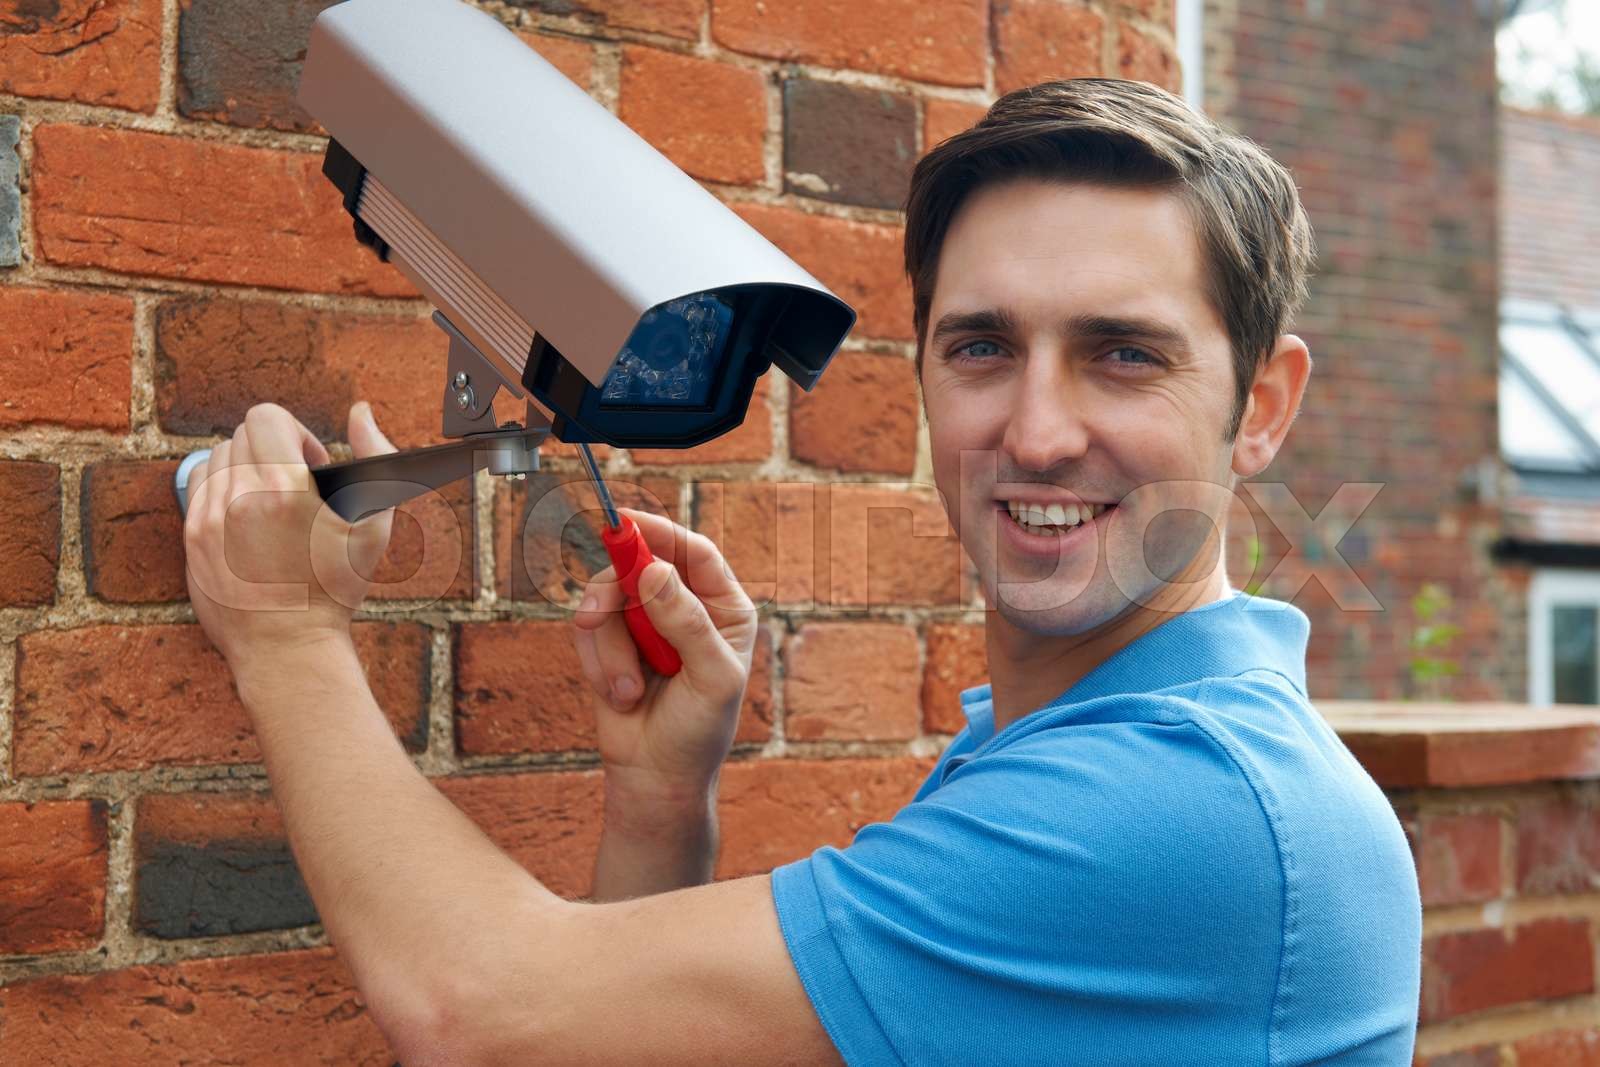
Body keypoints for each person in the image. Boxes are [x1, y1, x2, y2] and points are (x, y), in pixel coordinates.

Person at [182, 78, 1420, 1065]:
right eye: (982, 344)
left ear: (1261, 404)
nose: (1037, 429)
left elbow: (481, 1017)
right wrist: (661, 802)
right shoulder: (1062, 744)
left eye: (1123, 355)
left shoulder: (1185, 811)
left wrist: (284, 633)